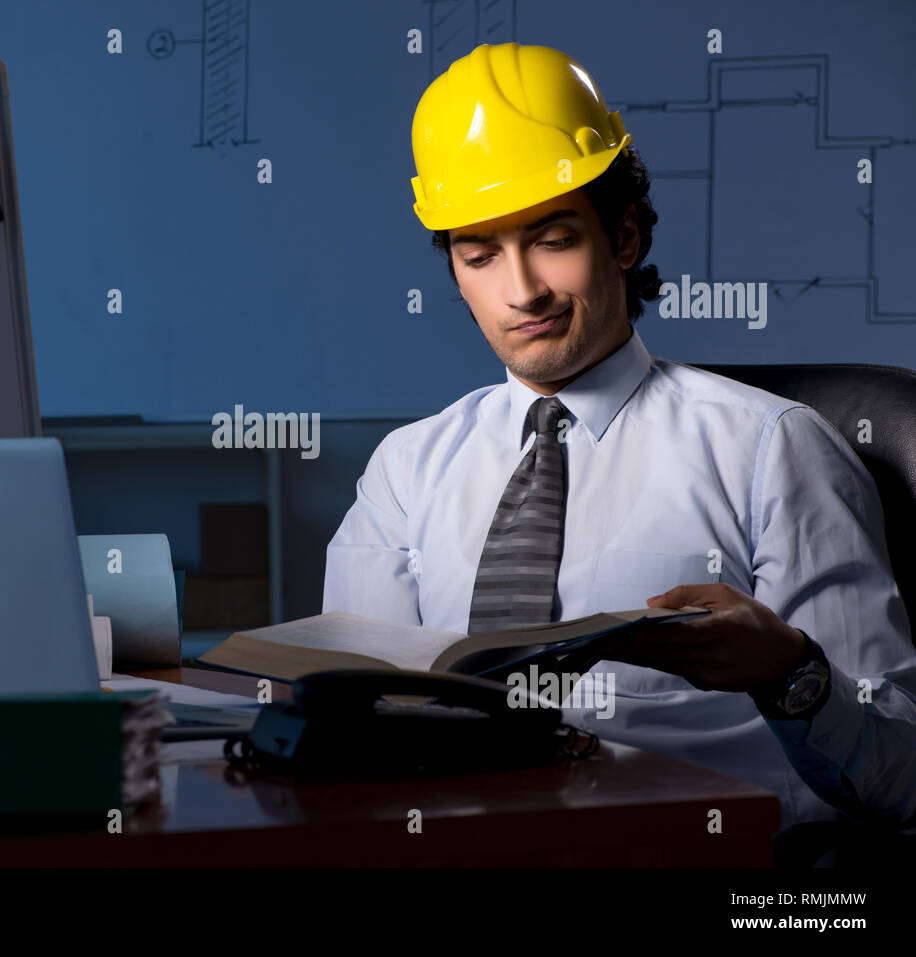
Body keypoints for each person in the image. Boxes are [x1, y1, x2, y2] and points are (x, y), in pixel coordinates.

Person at [322, 43, 916, 845]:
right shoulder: (406, 469)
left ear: (625, 237)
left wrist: (789, 673)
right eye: (481, 253)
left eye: (553, 238)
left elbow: (900, 772)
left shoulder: (772, 448)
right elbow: (363, 724)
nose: (522, 289)